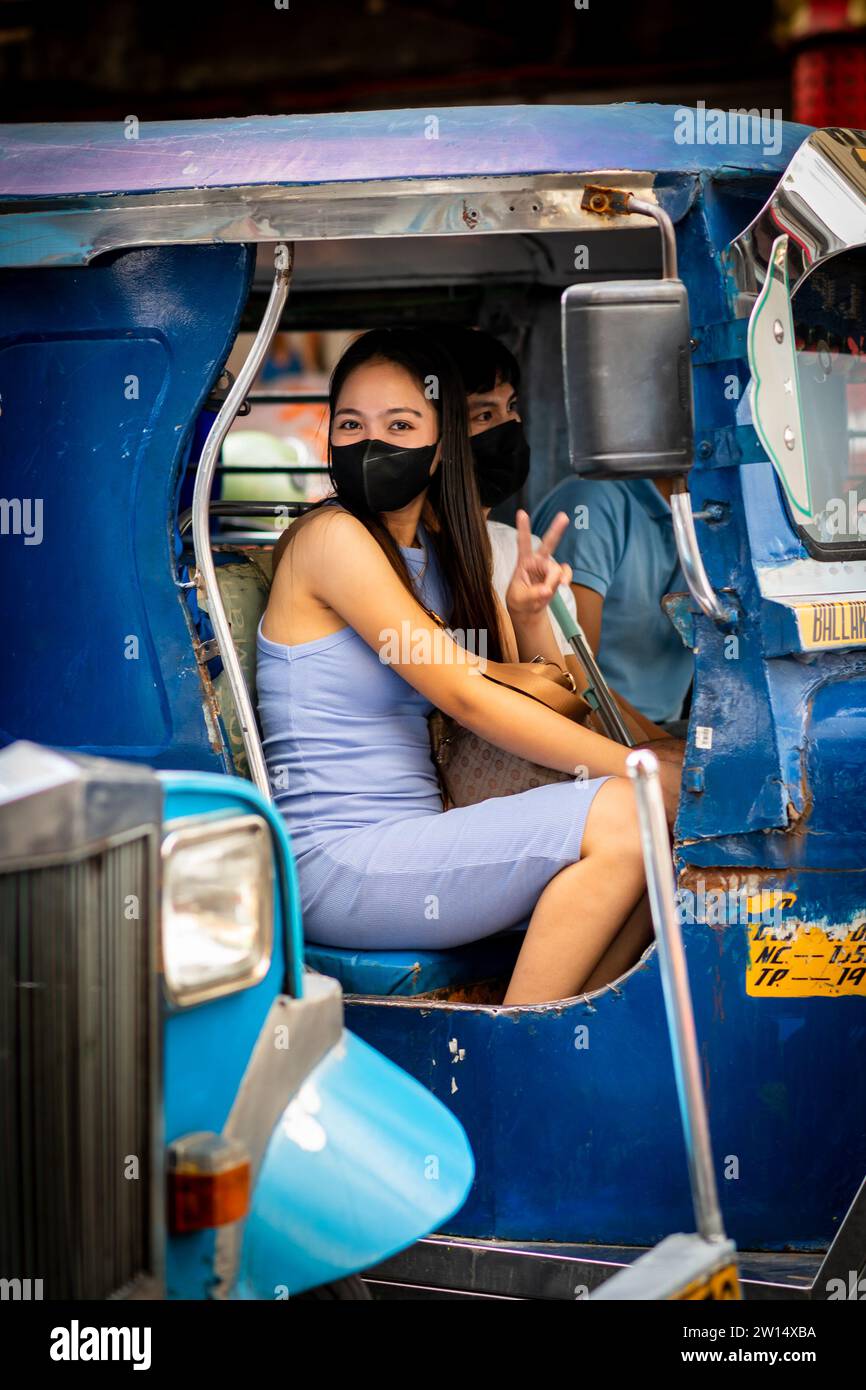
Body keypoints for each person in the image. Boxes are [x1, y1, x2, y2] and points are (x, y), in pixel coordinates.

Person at [258, 328, 681, 1006]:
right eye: (351, 424)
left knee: (658, 827)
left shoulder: (440, 553)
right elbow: (471, 700)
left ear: (439, 446)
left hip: (415, 842)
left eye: (400, 424)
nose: (374, 443)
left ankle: (569, 1037)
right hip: (340, 861)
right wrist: (633, 767)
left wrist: (529, 615)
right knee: (633, 811)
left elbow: (538, 693)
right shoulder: (330, 539)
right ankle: (524, 1051)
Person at [430, 324, 674, 743]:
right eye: (484, 415)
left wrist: (661, 753)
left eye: (512, 409)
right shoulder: (403, 556)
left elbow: (576, 692)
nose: (509, 428)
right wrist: (645, 762)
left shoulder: (514, 550)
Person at [532, 472, 694, 726]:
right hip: (595, 725)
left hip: (662, 725)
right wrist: (662, 749)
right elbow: (578, 677)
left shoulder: (716, 514)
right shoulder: (592, 503)